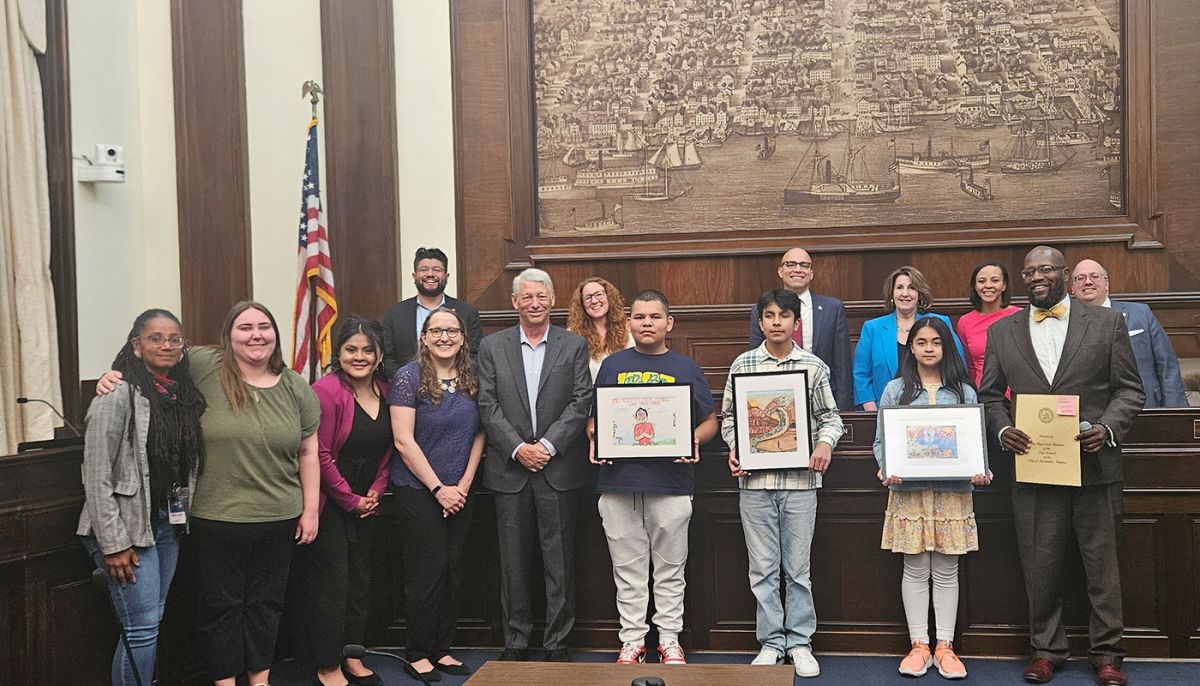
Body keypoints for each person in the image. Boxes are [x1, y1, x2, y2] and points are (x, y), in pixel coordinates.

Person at [979, 246, 1144, 686]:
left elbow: (1130, 391)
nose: (1037, 276)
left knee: (1102, 567)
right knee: (1040, 564)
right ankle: (1046, 650)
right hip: (1033, 469)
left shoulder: (1108, 323)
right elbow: (990, 395)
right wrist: (1001, 430)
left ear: (1065, 275)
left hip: (1095, 467)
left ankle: (1107, 655)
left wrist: (1107, 428)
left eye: (1047, 269)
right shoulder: (1003, 331)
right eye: (1029, 270)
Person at [590, 289, 718, 666]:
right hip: (618, 484)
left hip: (672, 483)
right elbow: (596, 418)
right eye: (640, 317)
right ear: (629, 323)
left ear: (669, 323)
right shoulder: (612, 365)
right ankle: (632, 642)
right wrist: (595, 438)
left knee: (670, 569)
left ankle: (669, 640)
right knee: (627, 571)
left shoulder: (686, 367)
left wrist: (693, 438)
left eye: (655, 317)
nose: (647, 323)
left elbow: (709, 420)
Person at [78, 309, 205, 686]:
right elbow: (95, 476)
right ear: (136, 345)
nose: (166, 345)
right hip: (125, 530)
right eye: (155, 338)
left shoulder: (182, 395)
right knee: (141, 629)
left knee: (150, 622)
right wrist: (114, 545)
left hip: (166, 524)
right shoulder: (116, 393)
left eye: (174, 338)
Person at [722, 289, 844, 678]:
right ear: (760, 322)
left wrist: (824, 443)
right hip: (754, 485)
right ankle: (772, 643)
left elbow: (832, 419)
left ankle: (800, 642)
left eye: (784, 316)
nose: (776, 322)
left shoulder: (813, 366)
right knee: (762, 570)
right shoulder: (743, 364)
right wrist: (735, 446)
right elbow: (728, 418)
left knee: (798, 570)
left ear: (796, 322)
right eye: (769, 316)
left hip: (800, 482)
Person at [476, 268, 593, 661]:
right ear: (514, 302)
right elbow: (487, 405)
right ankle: (516, 640)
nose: (535, 304)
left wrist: (546, 445)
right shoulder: (492, 347)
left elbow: (581, 402)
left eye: (541, 296)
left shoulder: (573, 345)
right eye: (527, 297)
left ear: (553, 299)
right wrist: (518, 448)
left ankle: (558, 642)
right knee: (513, 562)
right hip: (510, 471)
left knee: (559, 563)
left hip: (557, 469)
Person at [873, 317, 993, 680]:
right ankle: (918, 645)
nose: (928, 348)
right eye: (921, 342)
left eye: (936, 342)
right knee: (914, 568)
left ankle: (945, 646)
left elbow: (975, 446)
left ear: (946, 347)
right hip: (908, 494)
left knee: (945, 570)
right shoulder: (895, 390)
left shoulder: (963, 392)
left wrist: (980, 469)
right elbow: (881, 442)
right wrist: (886, 467)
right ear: (911, 347)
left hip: (952, 494)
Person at [290, 317, 392, 686]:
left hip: (369, 501)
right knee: (332, 585)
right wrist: (350, 500)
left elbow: (388, 452)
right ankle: (327, 663)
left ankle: (352, 655)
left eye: (368, 350)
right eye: (351, 349)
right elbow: (320, 453)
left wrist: (376, 492)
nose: (360, 356)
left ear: (379, 354)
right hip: (329, 502)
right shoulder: (326, 390)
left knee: (360, 583)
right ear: (338, 352)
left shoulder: (386, 388)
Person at [390, 306, 485, 679]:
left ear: (463, 338)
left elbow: (481, 432)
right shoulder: (407, 377)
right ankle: (418, 651)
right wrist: (438, 488)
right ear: (424, 337)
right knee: (426, 573)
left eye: (452, 331)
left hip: (461, 489)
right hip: (418, 489)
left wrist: (462, 485)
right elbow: (403, 440)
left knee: (453, 570)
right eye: (436, 331)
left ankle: (443, 647)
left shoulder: (473, 377)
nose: (444, 337)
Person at [1071, 258, 1188, 408]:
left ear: (1107, 283)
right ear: (1072, 288)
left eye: (1094, 276)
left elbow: (1167, 366)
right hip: (1092, 414)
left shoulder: (1141, 314)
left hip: (1144, 408)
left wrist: (1175, 416)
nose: (1088, 282)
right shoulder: (1066, 324)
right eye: (1080, 278)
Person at [748, 248, 853, 410]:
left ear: (811, 273)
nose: (797, 269)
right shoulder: (761, 309)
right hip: (775, 398)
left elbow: (842, 365)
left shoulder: (833, 309)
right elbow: (755, 359)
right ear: (780, 271)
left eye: (804, 265)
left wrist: (843, 411)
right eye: (791, 264)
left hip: (821, 399)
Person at [853, 266, 964, 410]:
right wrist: (873, 411)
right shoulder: (873, 328)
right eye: (899, 287)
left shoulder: (940, 323)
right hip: (884, 410)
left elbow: (956, 364)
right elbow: (861, 374)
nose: (905, 294)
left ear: (919, 293)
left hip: (936, 408)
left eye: (911, 288)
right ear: (892, 293)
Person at [381, 246, 482, 377]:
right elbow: (388, 359)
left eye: (437, 270)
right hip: (410, 390)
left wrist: (449, 377)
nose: (430, 274)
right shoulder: (394, 314)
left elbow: (474, 356)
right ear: (414, 276)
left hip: (456, 388)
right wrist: (410, 380)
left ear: (446, 276)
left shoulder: (467, 312)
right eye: (423, 270)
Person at [955, 261, 1021, 387]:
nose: (988, 285)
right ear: (974, 286)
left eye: (995, 280)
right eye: (981, 281)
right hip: (983, 394)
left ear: (1004, 285)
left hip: (1017, 393)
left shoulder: (1020, 316)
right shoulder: (965, 322)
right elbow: (969, 367)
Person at [566, 276, 632, 380]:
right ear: (582, 305)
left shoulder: (628, 331)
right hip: (587, 394)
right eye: (588, 297)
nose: (594, 300)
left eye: (599, 294)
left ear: (609, 297)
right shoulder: (572, 336)